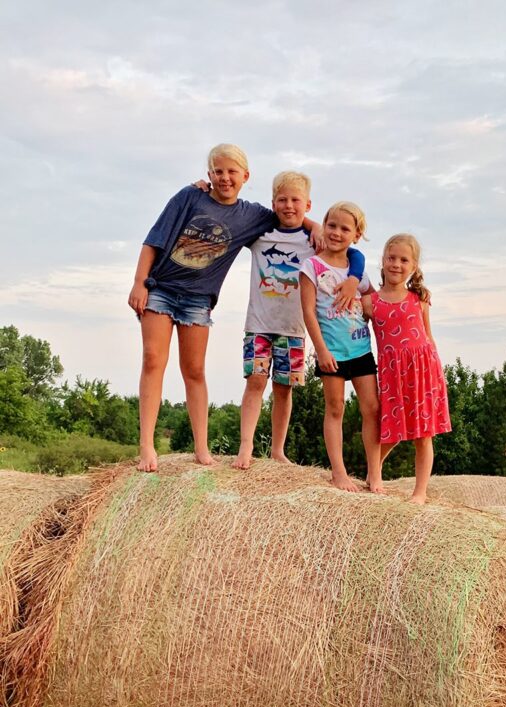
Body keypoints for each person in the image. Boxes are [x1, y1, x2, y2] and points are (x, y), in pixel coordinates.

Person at [128, 145, 317, 473]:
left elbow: (289, 214)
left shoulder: (252, 216)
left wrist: (314, 226)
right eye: (218, 171)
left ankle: (201, 447)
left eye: (232, 172)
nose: (225, 178)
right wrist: (138, 283)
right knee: (153, 360)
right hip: (160, 289)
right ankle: (147, 446)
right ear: (209, 174)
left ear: (246, 176)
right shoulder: (189, 197)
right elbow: (153, 241)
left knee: (195, 370)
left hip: (198, 299)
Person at [234, 172, 365, 470]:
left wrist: (354, 276)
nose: (288, 206)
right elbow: (235, 213)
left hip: (294, 328)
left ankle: (277, 450)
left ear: (308, 204)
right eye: (282, 200)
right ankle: (246, 447)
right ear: (273, 203)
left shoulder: (314, 241)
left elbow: (353, 253)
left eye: (295, 200)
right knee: (255, 381)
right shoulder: (259, 234)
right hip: (258, 324)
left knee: (284, 388)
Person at [361, 234, 451, 505]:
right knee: (393, 429)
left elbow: (429, 337)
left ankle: (420, 492)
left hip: (423, 371)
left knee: (423, 435)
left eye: (403, 260)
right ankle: (373, 473)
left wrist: (438, 373)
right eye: (391, 258)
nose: (396, 264)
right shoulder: (370, 303)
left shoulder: (419, 299)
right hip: (392, 373)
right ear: (383, 261)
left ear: (413, 266)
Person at [299, 202, 382, 494]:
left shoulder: (357, 271)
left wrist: (359, 288)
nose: (336, 232)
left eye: (345, 228)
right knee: (334, 409)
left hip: (361, 349)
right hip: (331, 351)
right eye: (331, 225)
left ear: (356, 235)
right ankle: (339, 473)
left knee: (371, 410)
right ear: (325, 225)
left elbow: (372, 301)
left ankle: (375, 475)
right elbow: (308, 312)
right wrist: (320, 351)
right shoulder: (312, 266)